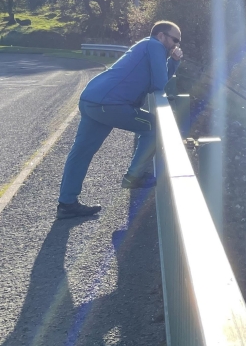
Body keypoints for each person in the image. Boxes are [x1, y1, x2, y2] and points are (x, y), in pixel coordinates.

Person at [56, 21, 184, 219]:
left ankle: (66, 203)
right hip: (110, 105)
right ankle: (134, 176)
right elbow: (160, 84)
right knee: (156, 126)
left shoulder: (146, 47)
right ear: (161, 36)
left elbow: (156, 83)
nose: (176, 45)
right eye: (174, 40)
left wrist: (173, 61)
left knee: (81, 152)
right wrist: (173, 60)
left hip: (92, 99)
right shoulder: (155, 46)